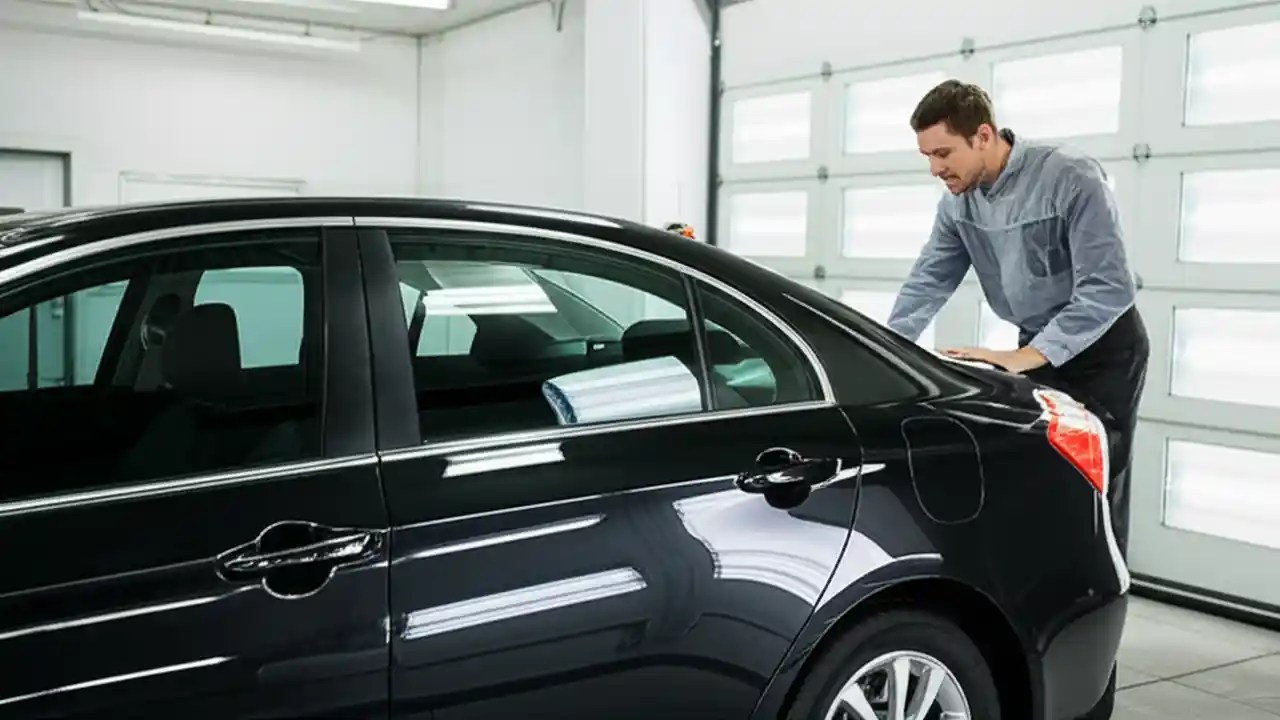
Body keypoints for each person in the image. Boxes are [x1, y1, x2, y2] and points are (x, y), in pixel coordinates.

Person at [885, 80, 1149, 720]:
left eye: (942, 153)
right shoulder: (959, 202)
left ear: (984, 134)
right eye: (926, 157)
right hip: (1037, 348)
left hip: (1103, 352)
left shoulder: (1071, 179)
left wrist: (1018, 359)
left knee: (1092, 518)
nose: (935, 169)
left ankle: (1091, 700)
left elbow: (1109, 289)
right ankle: (1040, 666)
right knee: (1041, 507)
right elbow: (929, 279)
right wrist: (881, 352)